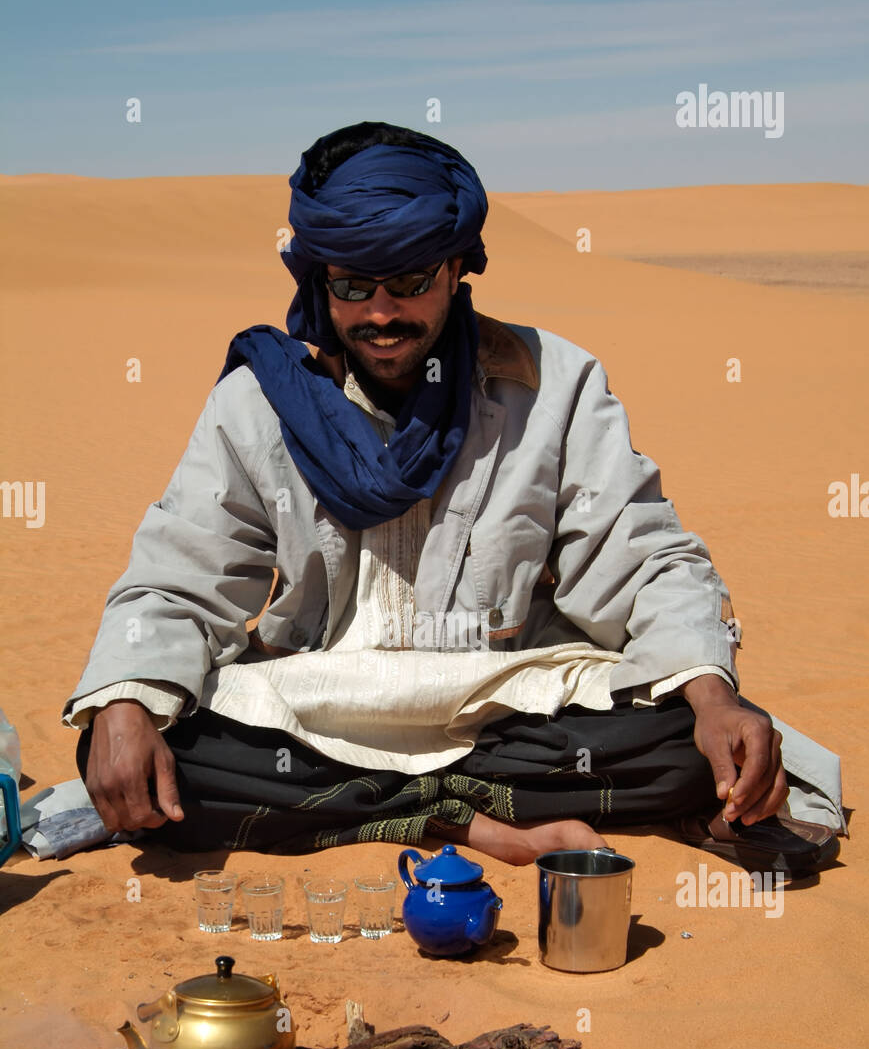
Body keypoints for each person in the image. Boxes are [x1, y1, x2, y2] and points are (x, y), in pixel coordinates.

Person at [64, 121, 845, 873]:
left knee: (682, 737)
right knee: (164, 750)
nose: (380, 312)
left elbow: (640, 557)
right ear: (318, 280)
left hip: (503, 699)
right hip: (320, 701)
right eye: (352, 284)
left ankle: (382, 808)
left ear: (456, 269)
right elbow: (179, 573)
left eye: (409, 281)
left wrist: (710, 698)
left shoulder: (554, 385)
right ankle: (474, 819)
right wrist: (127, 703)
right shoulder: (259, 403)